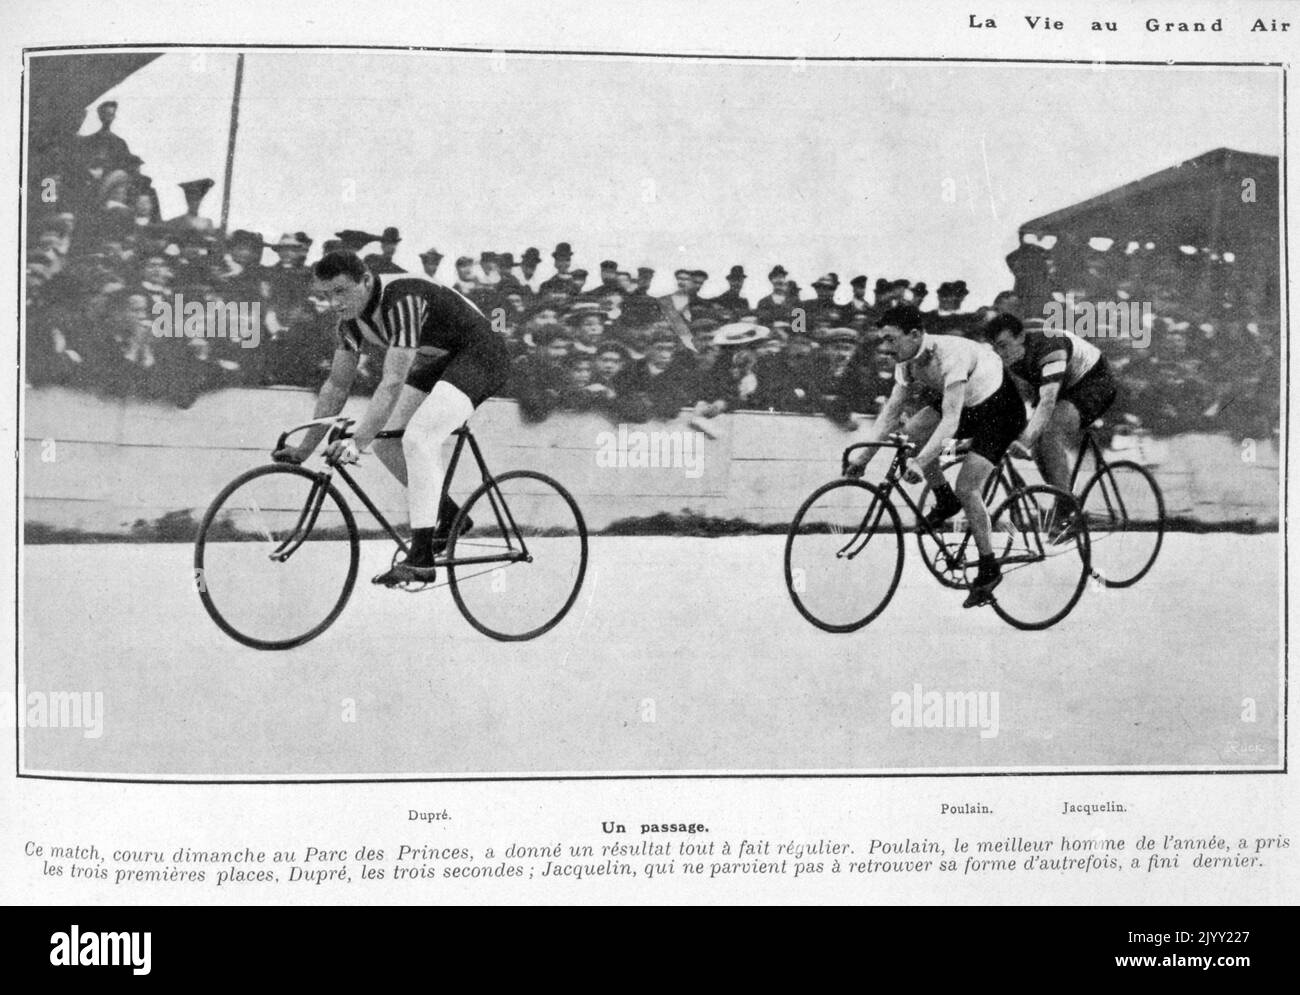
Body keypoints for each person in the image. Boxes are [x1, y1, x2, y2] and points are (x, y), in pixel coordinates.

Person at [272, 250, 511, 585]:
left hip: (482, 354)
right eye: (326, 296)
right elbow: (337, 385)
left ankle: (423, 558)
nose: (335, 303)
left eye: (341, 291)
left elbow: (393, 382)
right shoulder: (349, 324)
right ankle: (451, 516)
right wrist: (304, 449)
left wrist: (357, 443)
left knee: (418, 438)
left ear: (366, 280)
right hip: (444, 361)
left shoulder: (402, 298)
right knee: (388, 445)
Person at [845, 304, 1026, 607]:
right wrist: (862, 459)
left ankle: (988, 568)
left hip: (999, 411)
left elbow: (951, 421)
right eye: (883, 341)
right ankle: (944, 499)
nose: (886, 348)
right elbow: (890, 414)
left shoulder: (949, 354)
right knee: (910, 434)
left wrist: (920, 462)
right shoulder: (905, 361)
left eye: (891, 340)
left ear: (914, 335)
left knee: (967, 487)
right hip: (967, 404)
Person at [987, 313, 1117, 500]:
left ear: (1021, 337)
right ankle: (1066, 498)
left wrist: (1024, 441)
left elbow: (1047, 401)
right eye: (996, 348)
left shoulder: (1049, 347)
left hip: (1094, 381)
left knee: (1050, 432)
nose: (1000, 353)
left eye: (1003, 346)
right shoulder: (1013, 355)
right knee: (1038, 448)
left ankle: (1066, 507)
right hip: (1063, 384)